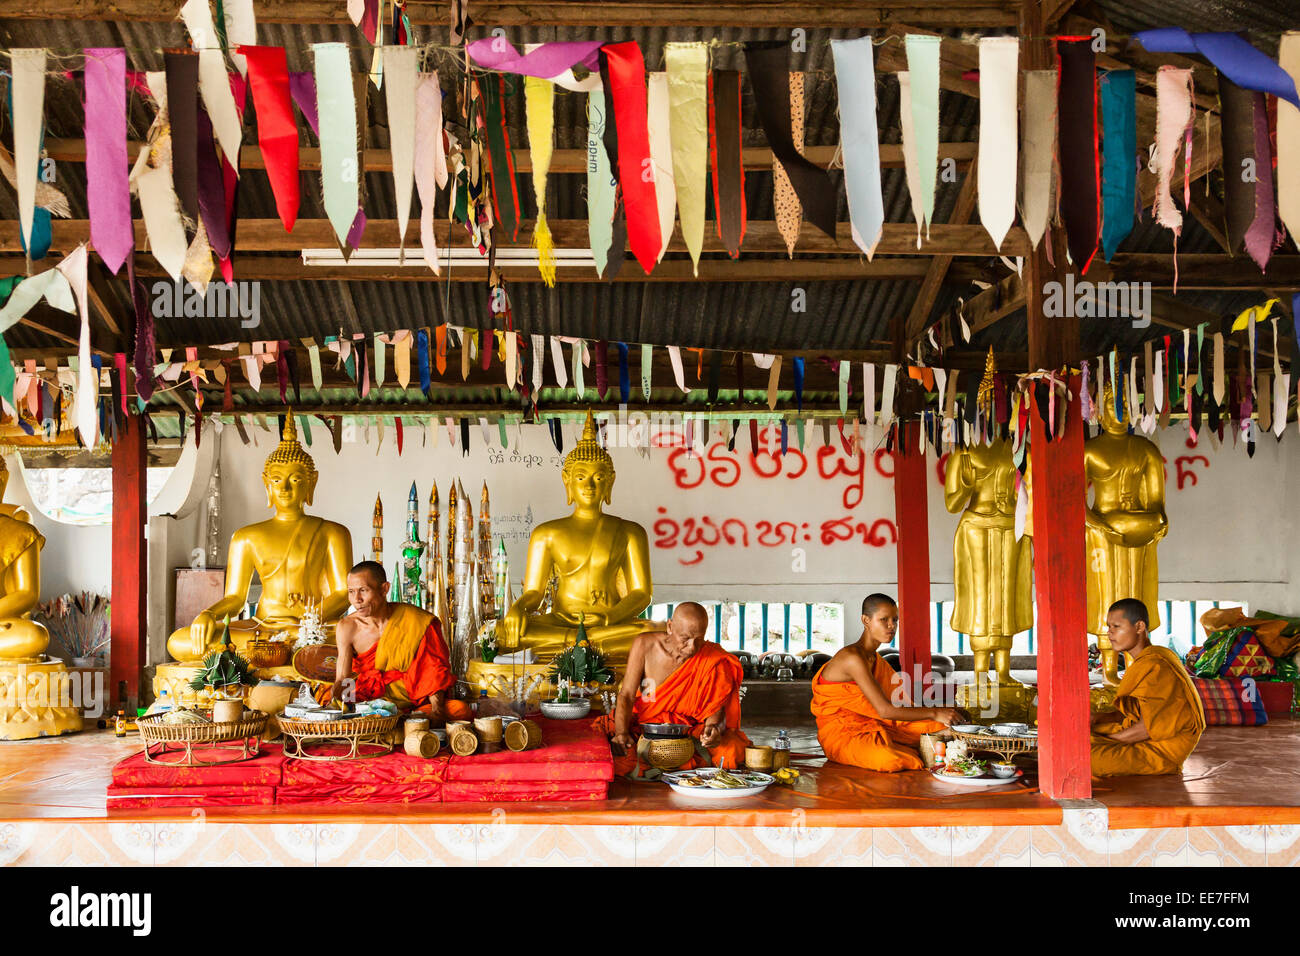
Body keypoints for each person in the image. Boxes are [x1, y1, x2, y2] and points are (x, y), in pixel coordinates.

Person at [595, 602, 751, 775]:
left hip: (689, 729)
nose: (692, 647)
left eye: (698, 639)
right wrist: (621, 733)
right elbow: (626, 695)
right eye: (685, 638)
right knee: (615, 754)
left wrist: (713, 731)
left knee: (731, 750)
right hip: (646, 726)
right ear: (670, 627)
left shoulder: (712, 659)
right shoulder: (645, 645)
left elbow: (715, 709)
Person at [812, 593, 961, 772]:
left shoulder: (874, 658)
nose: (891, 626)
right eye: (884, 619)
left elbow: (895, 706)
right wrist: (935, 712)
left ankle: (922, 744)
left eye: (895, 620)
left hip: (877, 723)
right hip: (845, 733)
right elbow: (884, 710)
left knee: (945, 727)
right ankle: (920, 748)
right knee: (889, 759)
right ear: (866, 620)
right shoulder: (852, 658)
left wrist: (939, 715)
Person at [320, 562, 471, 722]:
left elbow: (432, 672)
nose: (357, 600)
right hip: (368, 701)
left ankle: (403, 719)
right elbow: (344, 678)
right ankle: (397, 721)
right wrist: (341, 707)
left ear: (384, 589)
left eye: (363, 590)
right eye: (351, 592)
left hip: (411, 699)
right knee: (323, 698)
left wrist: (437, 710)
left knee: (460, 710)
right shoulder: (347, 627)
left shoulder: (416, 621)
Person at [1091, 598, 1205, 776]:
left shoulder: (1157, 665)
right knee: (1081, 739)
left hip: (1161, 751)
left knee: (1084, 757)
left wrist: (1107, 740)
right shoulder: (1145, 662)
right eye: (1108, 626)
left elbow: (1147, 728)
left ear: (1139, 627)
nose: (1109, 633)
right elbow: (1136, 712)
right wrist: (1098, 719)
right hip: (1146, 739)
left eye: (1116, 627)